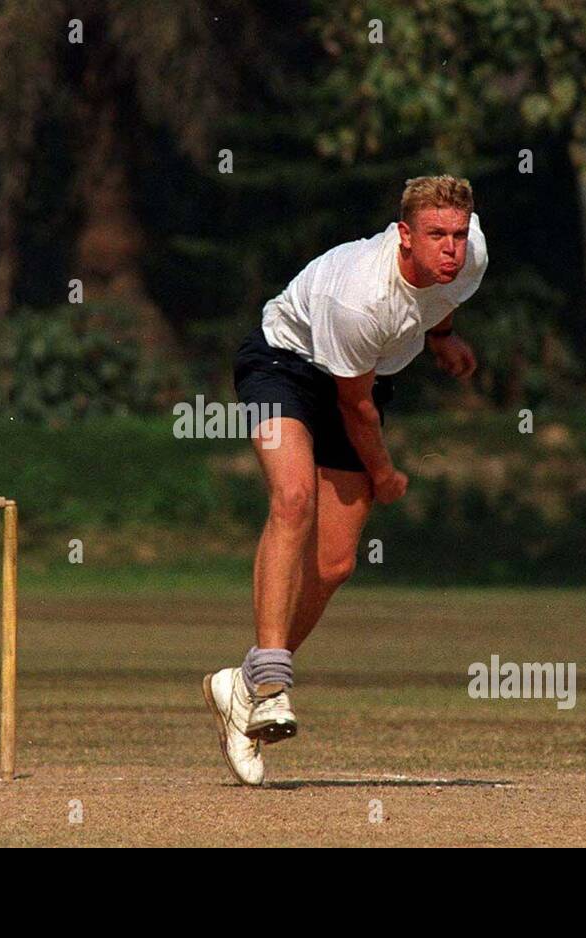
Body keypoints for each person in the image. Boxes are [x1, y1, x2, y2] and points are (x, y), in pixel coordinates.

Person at [203, 175, 488, 786]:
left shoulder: (470, 258)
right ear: (403, 235)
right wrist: (383, 474)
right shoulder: (362, 297)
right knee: (293, 498)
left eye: (459, 235)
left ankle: (241, 687)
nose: (452, 249)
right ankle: (274, 682)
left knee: (334, 565)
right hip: (282, 364)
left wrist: (442, 337)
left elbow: (442, 298)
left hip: (356, 378)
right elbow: (356, 409)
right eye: (437, 236)